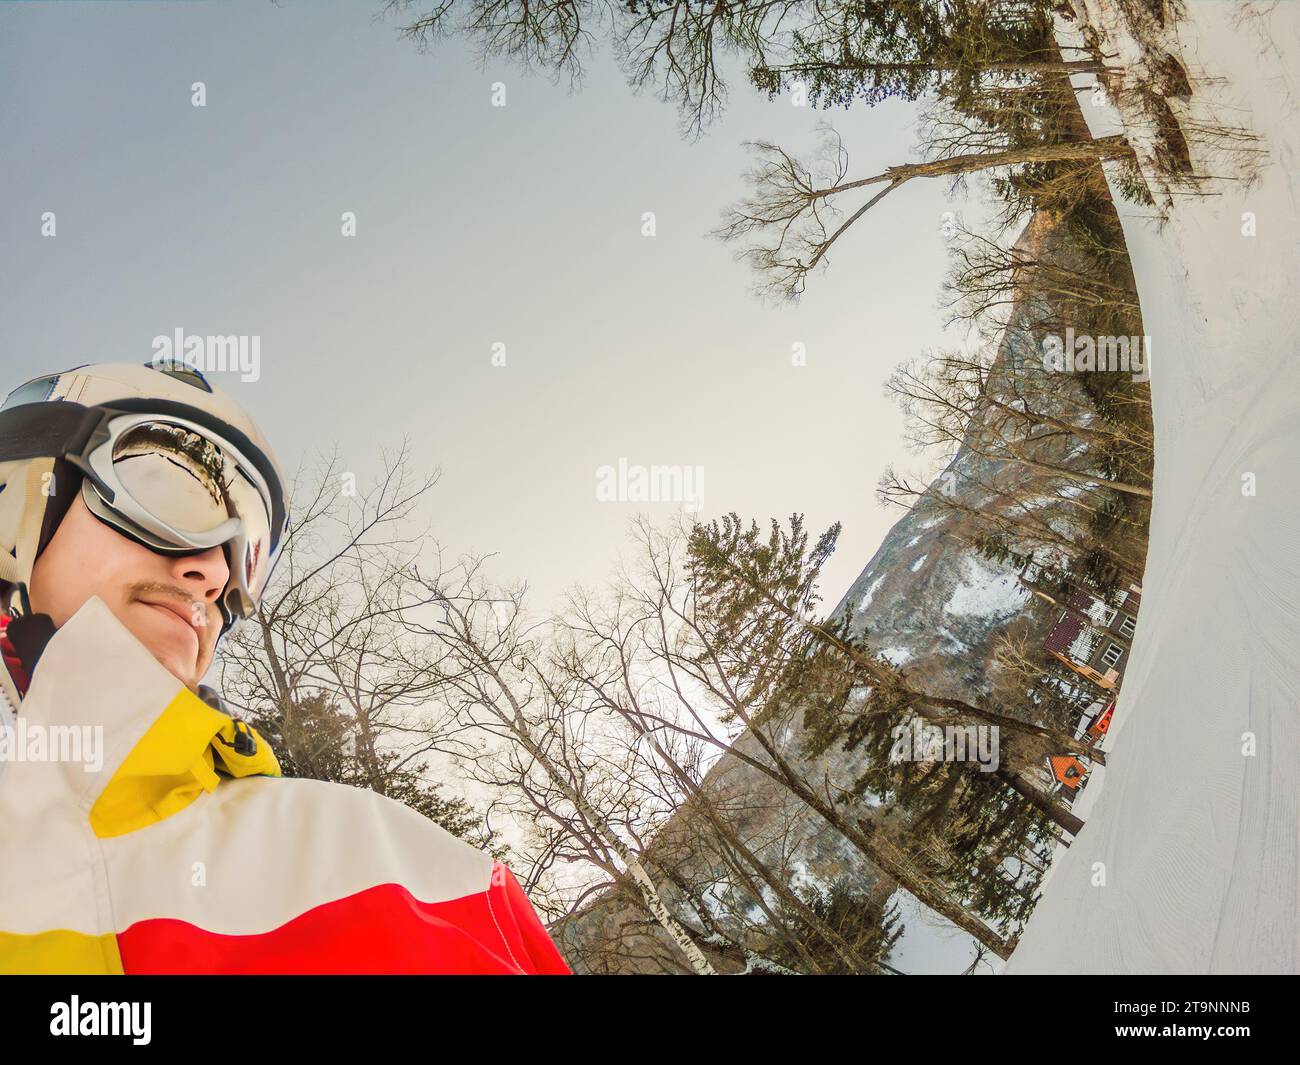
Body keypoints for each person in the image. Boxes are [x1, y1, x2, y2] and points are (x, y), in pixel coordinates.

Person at [0, 361, 571, 975]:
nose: (215, 575)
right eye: (170, 489)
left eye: (245, 553)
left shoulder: (396, 867)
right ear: (25, 505)